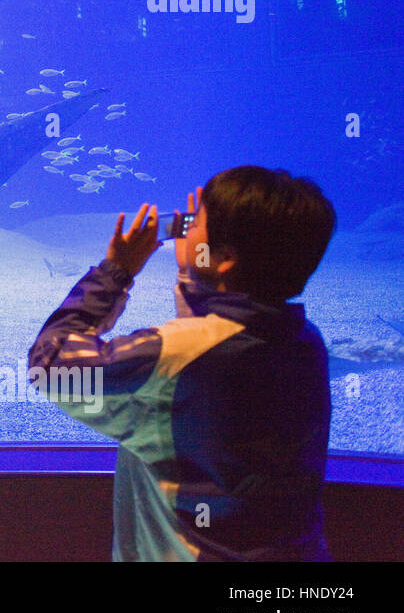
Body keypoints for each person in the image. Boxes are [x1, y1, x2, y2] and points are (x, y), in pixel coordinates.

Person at [28, 165, 337, 560]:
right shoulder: (305, 342)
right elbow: (214, 341)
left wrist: (115, 272)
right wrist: (197, 271)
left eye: (196, 226)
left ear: (225, 257)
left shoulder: (175, 356)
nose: (184, 229)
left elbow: (50, 366)